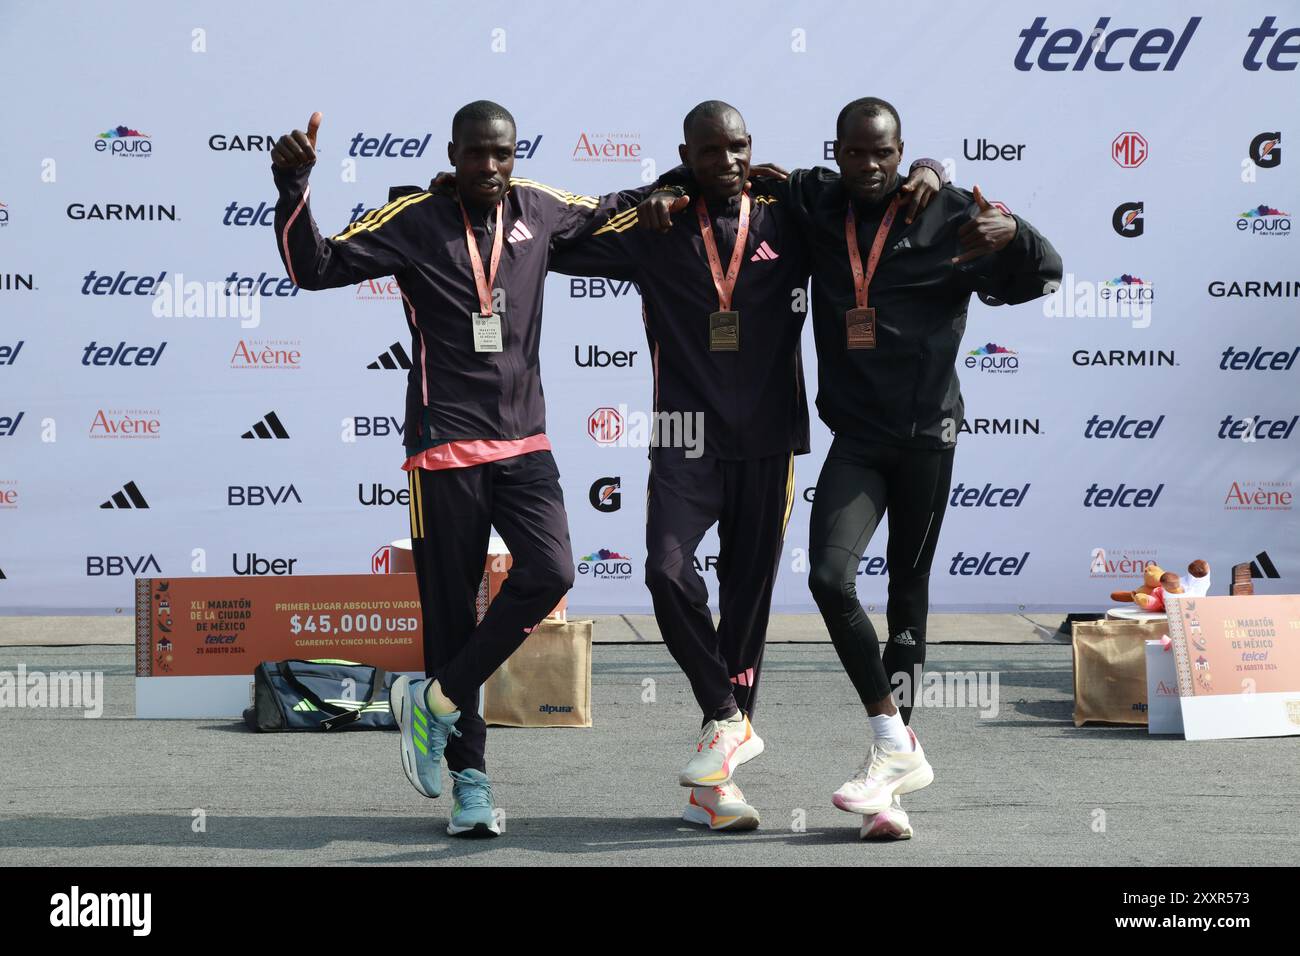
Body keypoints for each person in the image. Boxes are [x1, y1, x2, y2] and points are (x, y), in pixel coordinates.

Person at [642, 96, 1061, 840]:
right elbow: (723, 168)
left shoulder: (951, 210)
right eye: (857, 153)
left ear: (903, 152)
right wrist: (667, 188)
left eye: (886, 154)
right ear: (834, 151)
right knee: (829, 578)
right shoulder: (813, 200)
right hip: (857, 440)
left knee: (907, 604)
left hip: (928, 439)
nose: (870, 168)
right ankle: (893, 745)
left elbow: (1046, 275)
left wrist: (1017, 233)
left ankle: (891, 781)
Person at [548, 101, 945, 831]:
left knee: (747, 605)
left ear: (750, 149)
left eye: (738, 148)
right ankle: (728, 718)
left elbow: (874, 194)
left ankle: (720, 780)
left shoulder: (788, 215)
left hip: (769, 439)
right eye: (709, 152)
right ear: (685, 155)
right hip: (683, 432)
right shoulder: (659, 225)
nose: (727, 162)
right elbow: (565, 237)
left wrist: (930, 168)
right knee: (667, 571)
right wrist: (655, 193)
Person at [270, 101, 655, 838]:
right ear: (453, 154)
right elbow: (312, 267)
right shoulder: (414, 221)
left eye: (502, 155)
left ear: (515, 155)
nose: (490, 168)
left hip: (523, 444)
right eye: (477, 154)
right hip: (441, 448)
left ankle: (434, 700)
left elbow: (616, 209)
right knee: (451, 616)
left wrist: (692, 178)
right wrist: (294, 187)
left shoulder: (539, 209)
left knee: (552, 573)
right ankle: (471, 783)